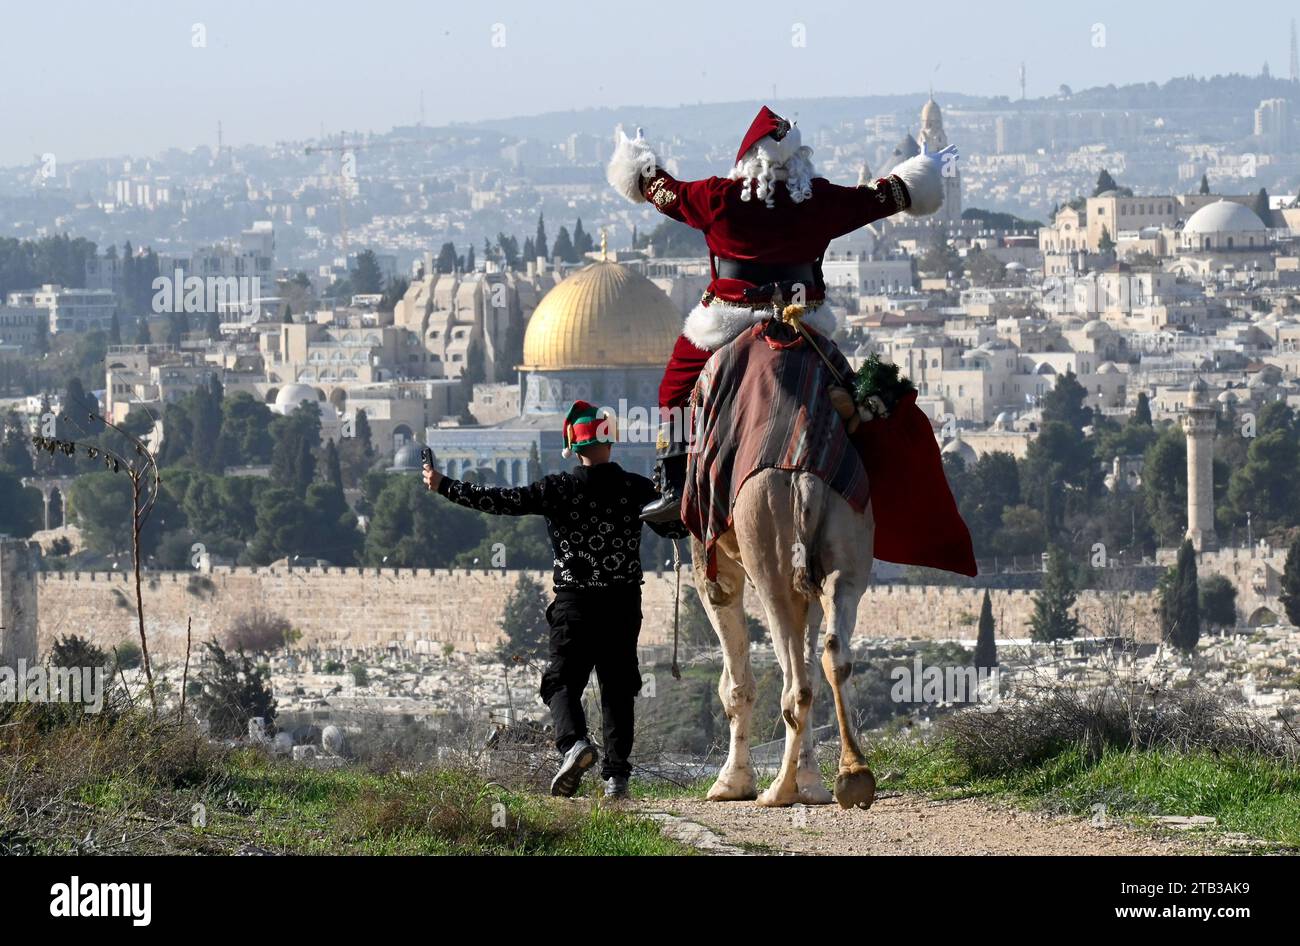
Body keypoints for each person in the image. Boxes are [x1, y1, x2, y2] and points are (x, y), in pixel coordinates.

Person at [605, 105, 957, 523]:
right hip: (801, 323)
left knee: (674, 391)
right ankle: (879, 486)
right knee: (860, 399)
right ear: (798, 159)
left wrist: (641, 162)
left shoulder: (718, 198)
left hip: (726, 323)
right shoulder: (819, 200)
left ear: (746, 158)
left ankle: (673, 484)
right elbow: (880, 198)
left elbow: (665, 192)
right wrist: (917, 175)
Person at [422, 400, 682, 799]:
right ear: (610, 442)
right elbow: (676, 528)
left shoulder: (557, 489)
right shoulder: (636, 488)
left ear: (573, 449)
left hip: (575, 605)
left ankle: (574, 744)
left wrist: (444, 484)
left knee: (560, 683)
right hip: (622, 604)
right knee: (618, 689)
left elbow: (500, 499)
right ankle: (616, 779)